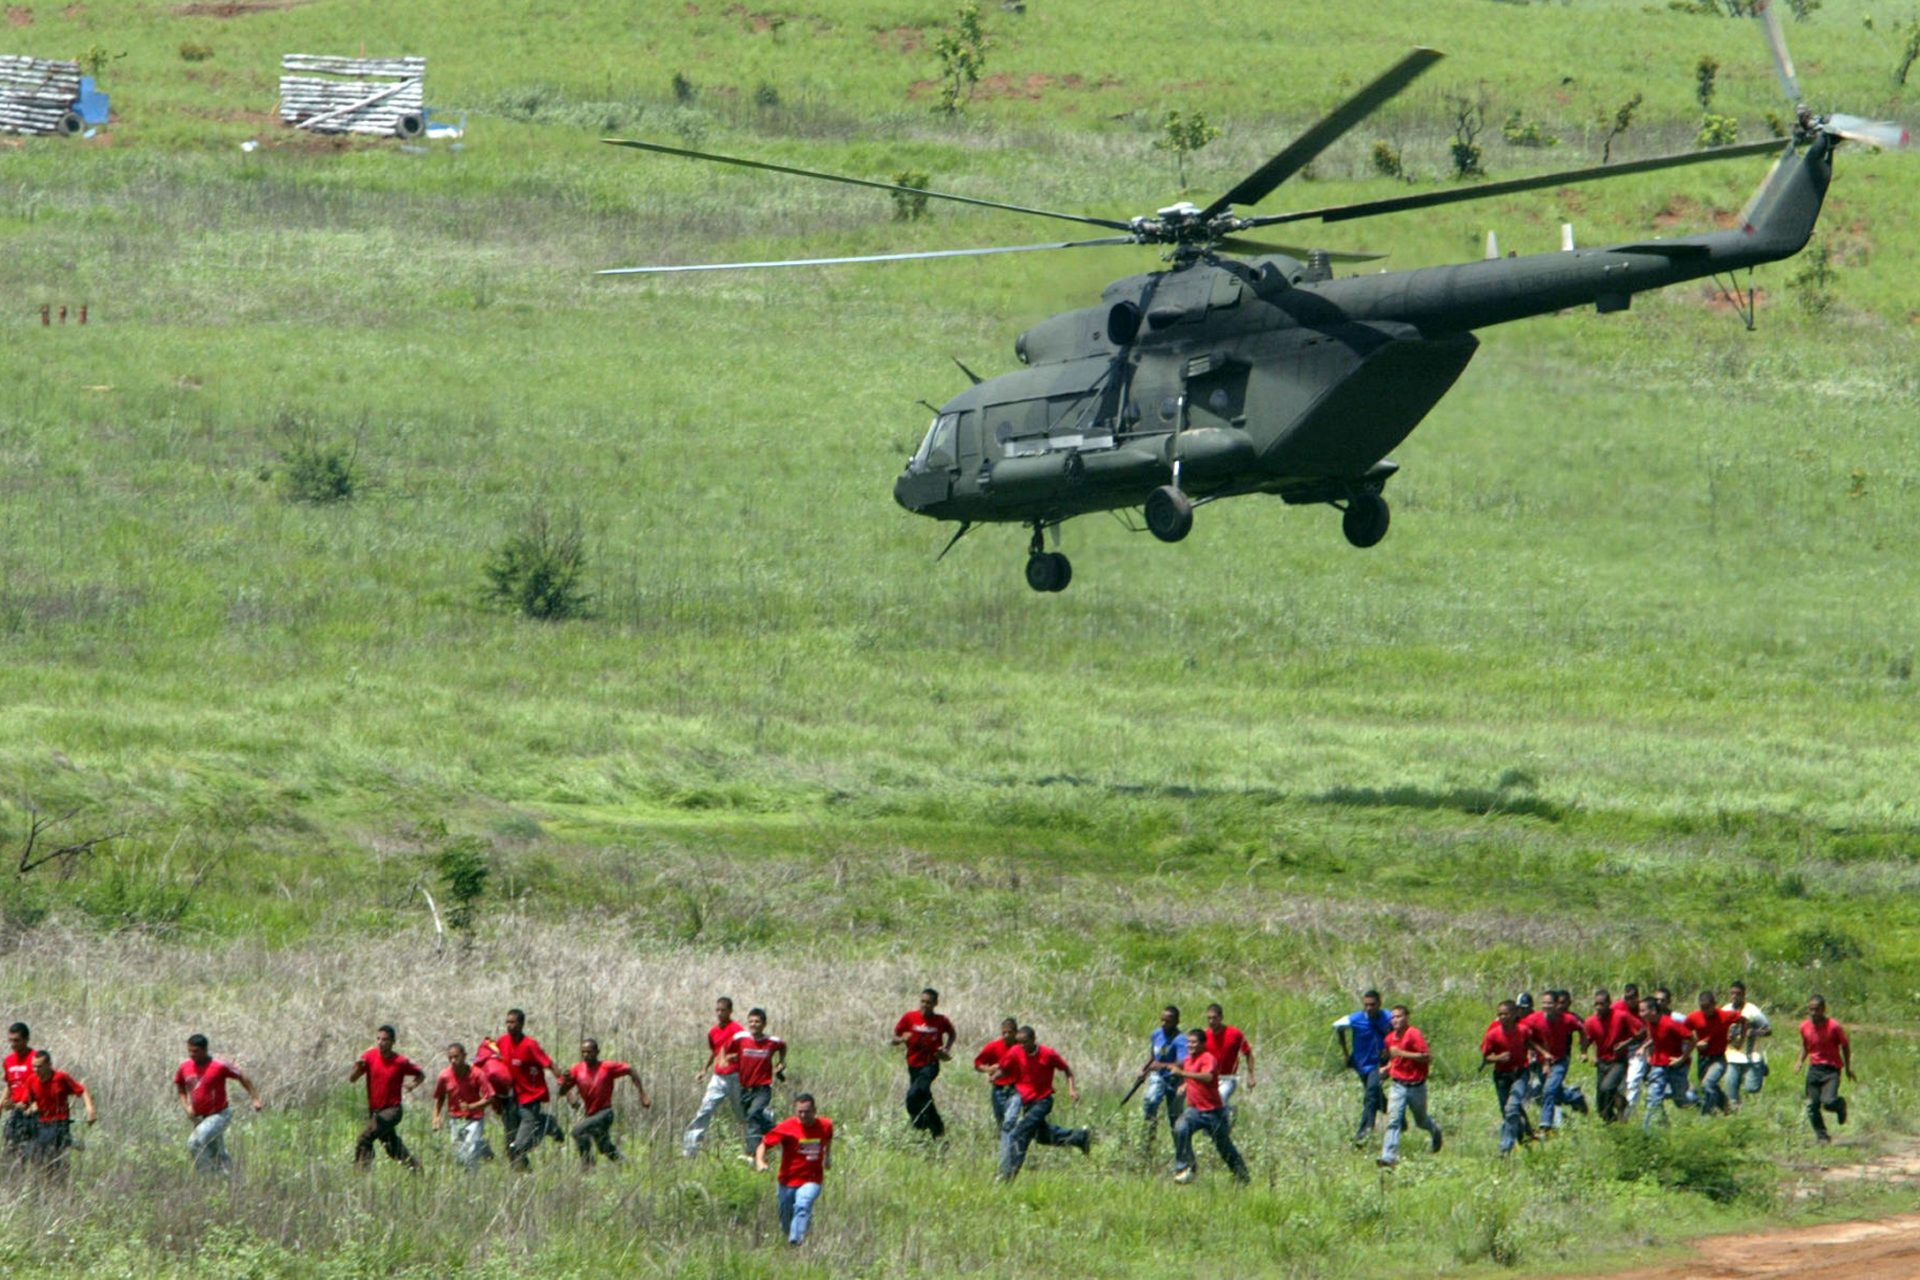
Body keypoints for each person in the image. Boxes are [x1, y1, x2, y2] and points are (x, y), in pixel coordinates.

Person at [996, 1025, 1089, 1181]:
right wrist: (995, 1075)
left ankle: (1008, 1175)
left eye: (1025, 1042)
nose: (1022, 1046)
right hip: (1027, 1102)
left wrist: (1072, 1089)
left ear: (1033, 1039)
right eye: (1019, 1042)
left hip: (1043, 1102)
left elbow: (1067, 1070)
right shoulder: (1016, 1051)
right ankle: (1080, 1137)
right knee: (1042, 1136)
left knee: (1020, 1133)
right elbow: (1004, 1068)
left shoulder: (1048, 1054)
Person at [1169, 1024, 1249, 1183]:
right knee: (1180, 1128)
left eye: (1194, 1042)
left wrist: (1183, 1073)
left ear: (1203, 1044)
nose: (1190, 1045)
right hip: (1194, 1111)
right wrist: (1184, 1084)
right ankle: (1186, 1168)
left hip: (1213, 1112)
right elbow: (1190, 1076)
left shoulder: (1208, 1058)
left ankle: (1242, 1176)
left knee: (1224, 1147)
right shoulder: (1188, 1060)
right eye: (1189, 1042)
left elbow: (1208, 1077)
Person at [175, 1033, 263, 1174]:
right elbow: (180, 1086)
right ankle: (230, 1178)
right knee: (216, 1152)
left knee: (194, 1142)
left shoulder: (219, 1065)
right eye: (189, 1051)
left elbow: (241, 1076)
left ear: (205, 1050)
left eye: (195, 1051)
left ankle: (207, 1177)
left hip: (219, 1115)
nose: (192, 1054)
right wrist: (187, 1107)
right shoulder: (185, 1067)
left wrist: (255, 1098)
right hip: (199, 1117)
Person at [755, 1092, 833, 1247]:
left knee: (803, 1204)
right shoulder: (787, 1127)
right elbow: (764, 1144)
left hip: (812, 1179)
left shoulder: (825, 1125)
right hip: (788, 1181)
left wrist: (828, 1157)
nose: (803, 1115)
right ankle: (793, 1239)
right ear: (795, 1111)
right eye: (800, 1112)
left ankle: (796, 1241)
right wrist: (759, 1161)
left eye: (807, 1112)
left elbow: (828, 1138)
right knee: (786, 1218)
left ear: (814, 1111)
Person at [558, 1037, 650, 1168]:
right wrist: (566, 1082)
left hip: (605, 1113)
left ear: (597, 1052)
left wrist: (642, 1094)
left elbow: (630, 1070)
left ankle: (588, 1166)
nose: (586, 1055)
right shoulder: (577, 1069)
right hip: (591, 1114)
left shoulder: (606, 1067)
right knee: (604, 1147)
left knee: (578, 1131)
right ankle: (625, 1165)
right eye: (583, 1052)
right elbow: (562, 1092)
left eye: (589, 1052)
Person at [349, 1024, 424, 1171]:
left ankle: (361, 1172)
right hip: (375, 1111)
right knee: (391, 1146)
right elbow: (352, 1079)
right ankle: (415, 1168)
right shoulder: (370, 1056)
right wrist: (358, 1068)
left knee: (365, 1137)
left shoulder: (400, 1062)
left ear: (393, 1042)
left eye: (385, 1039)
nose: (381, 1042)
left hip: (392, 1110)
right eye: (378, 1039)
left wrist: (412, 1086)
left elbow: (420, 1074)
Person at [1377, 1004, 1440, 1167]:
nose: (1395, 1020)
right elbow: (1394, 1060)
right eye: (1393, 1017)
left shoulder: (1413, 1034)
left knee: (1421, 1121)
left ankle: (1435, 1130)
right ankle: (1388, 1157)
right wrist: (1386, 1069)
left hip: (1416, 1085)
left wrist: (1402, 1053)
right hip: (1398, 1085)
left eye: (1399, 1016)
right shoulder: (1389, 1038)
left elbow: (1427, 1057)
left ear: (1406, 1018)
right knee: (1394, 1120)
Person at [683, 996, 747, 1157]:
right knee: (705, 1110)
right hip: (718, 1078)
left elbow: (747, 1051)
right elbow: (715, 1052)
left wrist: (735, 1058)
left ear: (730, 1011)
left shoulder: (738, 1030)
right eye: (717, 1010)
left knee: (742, 1115)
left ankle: (756, 1147)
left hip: (736, 1077)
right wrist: (704, 1069)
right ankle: (690, 1150)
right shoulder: (713, 1032)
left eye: (723, 1010)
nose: (719, 1013)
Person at [496, 1008, 558, 1170]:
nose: (509, 1026)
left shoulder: (530, 1045)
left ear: (522, 1024)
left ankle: (547, 1124)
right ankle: (524, 1174)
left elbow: (549, 1064)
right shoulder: (502, 1042)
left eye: (513, 1022)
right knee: (510, 1146)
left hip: (529, 1098)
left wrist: (564, 1083)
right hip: (509, 1100)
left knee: (520, 1145)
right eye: (507, 1022)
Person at [1521, 990, 1590, 1134]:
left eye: (1550, 1003)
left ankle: (1545, 1126)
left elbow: (1583, 1029)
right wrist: (1540, 1052)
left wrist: (1583, 1050)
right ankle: (1575, 1097)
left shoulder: (1567, 1019)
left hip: (1560, 1061)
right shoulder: (1534, 1019)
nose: (1546, 1006)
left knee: (1549, 1090)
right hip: (1542, 1062)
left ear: (1557, 1004)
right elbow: (1524, 1035)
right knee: (1553, 1091)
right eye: (1544, 1003)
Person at [891, 988, 956, 1140]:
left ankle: (919, 1126)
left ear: (935, 1003)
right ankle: (937, 1130)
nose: (925, 1005)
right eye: (922, 1001)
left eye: (929, 1002)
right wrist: (901, 1039)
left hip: (931, 1064)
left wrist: (946, 1048)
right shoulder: (909, 1017)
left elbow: (952, 1034)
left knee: (913, 1095)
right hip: (913, 1064)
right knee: (924, 1097)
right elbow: (894, 1038)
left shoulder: (941, 1020)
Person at [23, 1049, 93, 1182]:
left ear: (49, 1065)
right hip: (42, 1123)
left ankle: (65, 1141)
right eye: (34, 1066)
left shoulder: (60, 1078)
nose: (36, 1070)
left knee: (48, 1147)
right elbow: (26, 1102)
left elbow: (82, 1090)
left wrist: (90, 1110)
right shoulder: (31, 1080)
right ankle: (66, 1143)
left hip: (60, 1122)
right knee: (31, 1152)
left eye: (39, 1066)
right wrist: (26, 1108)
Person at [1332, 990, 1391, 1146]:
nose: (1369, 1008)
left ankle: (1363, 1134)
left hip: (1379, 1064)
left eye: (1372, 1004)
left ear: (1379, 1003)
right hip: (1361, 1064)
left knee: (1370, 1094)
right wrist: (1346, 1053)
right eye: (1366, 1005)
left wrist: (1390, 1051)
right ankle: (1396, 1115)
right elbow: (1337, 1026)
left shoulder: (1388, 1017)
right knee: (1375, 1094)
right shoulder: (1356, 1019)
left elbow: (1400, 1030)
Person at [1480, 1000, 1539, 1155]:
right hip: (1501, 1077)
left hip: (1520, 1074)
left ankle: (1505, 1147)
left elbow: (1532, 1043)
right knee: (1508, 1111)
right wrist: (1498, 1057)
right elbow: (1486, 1058)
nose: (1502, 1017)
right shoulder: (1493, 1034)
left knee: (1512, 1107)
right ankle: (1525, 1135)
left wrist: (1543, 1056)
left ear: (1514, 1014)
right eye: (1500, 1014)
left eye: (1506, 1014)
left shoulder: (1523, 1030)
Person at [1796, 994, 1854, 1144]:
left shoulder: (1833, 1026)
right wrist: (1800, 1061)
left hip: (1831, 1070)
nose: (1813, 1013)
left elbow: (1845, 1046)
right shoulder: (1804, 1026)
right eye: (1811, 1009)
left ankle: (1840, 1105)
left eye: (1817, 1009)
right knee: (1812, 1105)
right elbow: (1805, 1045)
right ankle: (1822, 1136)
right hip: (1814, 1069)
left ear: (1823, 1009)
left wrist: (1848, 1068)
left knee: (1828, 1102)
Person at [1582, 988, 1644, 1123]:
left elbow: (1641, 1032)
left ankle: (1621, 1106)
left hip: (1618, 1061)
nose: (1599, 1007)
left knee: (1607, 1087)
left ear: (1609, 1003)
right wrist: (1584, 1053)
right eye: (1596, 1004)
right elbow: (1586, 1040)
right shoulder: (1591, 1021)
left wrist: (1625, 1044)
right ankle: (1614, 1119)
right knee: (1601, 1105)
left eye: (1602, 1004)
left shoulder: (1621, 1016)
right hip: (1602, 1063)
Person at [431, 1042, 496, 1171]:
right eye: (450, 1057)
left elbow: (490, 1097)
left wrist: (472, 1106)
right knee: (459, 1156)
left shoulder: (477, 1074)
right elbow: (440, 1097)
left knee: (470, 1153)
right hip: (455, 1119)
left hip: (475, 1119)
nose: (453, 1060)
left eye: (456, 1057)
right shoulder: (445, 1076)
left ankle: (473, 1179)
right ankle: (483, 1146)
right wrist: (436, 1116)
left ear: (464, 1056)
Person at [731, 1008, 786, 1158]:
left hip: (762, 1088)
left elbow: (783, 1046)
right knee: (753, 1119)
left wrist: (781, 1062)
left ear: (764, 1024)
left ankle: (753, 1154)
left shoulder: (771, 1041)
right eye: (751, 1022)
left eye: (757, 1022)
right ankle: (781, 1135)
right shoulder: (741, 1038)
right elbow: (727, 1050)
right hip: (744, 1088)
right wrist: (730, 1059)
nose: (753, 1024)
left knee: (753, 1115)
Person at [1685, 991, 1747, 1116]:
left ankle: (1707, 1113)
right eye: (1702, 1007)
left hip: (1719, 1058)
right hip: (1703, 1059)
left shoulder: (1724, 1016)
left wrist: (1740, 1040)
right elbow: (1683, 1033)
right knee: (1708, 1086)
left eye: (1708, 1007)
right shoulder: (1694, 1017)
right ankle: (1727, 1107)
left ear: (1714, 1004)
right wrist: (1696, 1043)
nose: (1705, 1011)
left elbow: (1744, 1021)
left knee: (1707, 1084)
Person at [1638, 995, 1694, 1130]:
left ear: (1653, 1011)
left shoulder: (1670, 1024)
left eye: (1643, 1011)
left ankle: (1698, 1102)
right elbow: (1655, 1037)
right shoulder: (1650, 1022)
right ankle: (1647, 1131)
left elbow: (1692, 1038)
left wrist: (1682, 1058)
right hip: (1659, 1065)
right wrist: (1644, 1047)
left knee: (1680, 1101)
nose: (1640, 1014)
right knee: (1653, 1098)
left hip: (1676, 1066)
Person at [1135, 1006, 1186, 1149]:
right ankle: (1148, 1141)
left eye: (1168, 1021)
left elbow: (1183, 1063)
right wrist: (1144, 1070)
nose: (1164, 1024)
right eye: (1162, 1020)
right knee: (1150, 1102)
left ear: (1176, 1022)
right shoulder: (1156, 1034)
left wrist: (1162, 1065)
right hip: (1158, 1077)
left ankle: (1180, 1149)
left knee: (1175, 1116)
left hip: (1175, 1080)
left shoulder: (1181, 1040)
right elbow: (1154, 1055)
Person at [1200, 1004, 1256, 1120]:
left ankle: (1222, 1122)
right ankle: (1228, 1113)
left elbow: (1248, 1053)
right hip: (1211, 1078)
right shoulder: (1204, 1036)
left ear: (1221, 1018)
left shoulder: (1234, 1034)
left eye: (1214, 1018)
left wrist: (1250, 1075)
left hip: (1229, 1078)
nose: (1211, 1021)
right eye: (1209, 1018)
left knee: (1220, 1098)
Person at [1722, 981, 1772, 1108]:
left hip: (1751, 1055)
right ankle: (1736, 1112)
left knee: (1752, 1088)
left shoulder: (1752, 1010)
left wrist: (1754, 1032)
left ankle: (1762, 1067)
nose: (1734, 996)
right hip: (1731, 1056)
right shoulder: (1725, 1010)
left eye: (1738, 993)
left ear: (1744, 994)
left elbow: (1768, 1030)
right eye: (1732, 993)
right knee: (1731, 1092)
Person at [472, 1036, 521, 1156]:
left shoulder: (483, 1066)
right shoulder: (495, 1059)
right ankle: (513, 1154)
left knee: (513, 1131)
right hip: (512, 1094)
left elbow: (492, 1094)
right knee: (513, 1130)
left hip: (506, 1097)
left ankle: (513, 1155)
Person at [974, 1018, 1020, 1132]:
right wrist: (988, 1069)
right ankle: (1004, 1140)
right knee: (1001, 1120)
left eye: (1010, 1032)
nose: (1006, 1035)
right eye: (1004, 1032)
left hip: (1016, 1089)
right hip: (999, 1090)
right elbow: (977, 1064)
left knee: (1010, 1119)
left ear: (1016, 1032)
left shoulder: (1022, 1047)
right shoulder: (993, 1046)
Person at [4, 1023, 35, 1165]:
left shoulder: (36, 1059)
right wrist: (2, 1104)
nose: (13, 1044)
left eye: (16, 1040)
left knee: (35, 1154)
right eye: (10, 1040)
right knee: (12, 1152)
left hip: (34, 1113)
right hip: (16, 1112)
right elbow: (9, 1085)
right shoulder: (8, 1061)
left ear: (26, 1039)